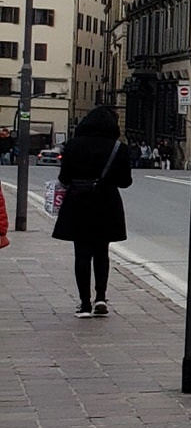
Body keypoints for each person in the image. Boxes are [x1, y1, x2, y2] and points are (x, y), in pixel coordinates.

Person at [51, 106, 131, 318]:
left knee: (82, 254)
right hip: (106, 204)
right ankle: (101, 297)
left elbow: (64, 178)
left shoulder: (73, 146)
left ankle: (84, 304)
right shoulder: (119, 149)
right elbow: (125, 182)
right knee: (102, 253)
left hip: (78, 203)